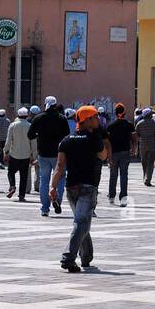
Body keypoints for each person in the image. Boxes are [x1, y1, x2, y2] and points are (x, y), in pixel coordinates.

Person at [51, 106, 109, 272]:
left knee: (81, 223)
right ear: (87, 120)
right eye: (95, 117)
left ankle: (86, 256)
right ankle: (68, 258)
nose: (98, 119)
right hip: (88, 186)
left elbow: (60, 166)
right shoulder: (94, 138)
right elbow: (103, 156)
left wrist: (53, 187)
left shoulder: (66, 140)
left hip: (71, 187)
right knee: (81, 223)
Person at [28, 98, 70, 216]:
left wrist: (39, 134)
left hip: (43, 153)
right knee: (61, 178)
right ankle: (57, 200)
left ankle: (45, 208)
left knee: (44, 180)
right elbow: (67, 133)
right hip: (58, 153)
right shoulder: (62, 118)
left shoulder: (38, 118)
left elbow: (30, 135)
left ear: (46, 105)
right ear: (56, 105)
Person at [104, 103, 134, 205]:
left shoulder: (111, 126)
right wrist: (134, 148)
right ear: (124, 113)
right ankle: (123, 198)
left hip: (113, 153)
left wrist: (108, 155)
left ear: (115, 113)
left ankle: (111, 196)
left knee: (113, 175)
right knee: (124, 175)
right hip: (125, 151)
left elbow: (107, 142)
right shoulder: (129, 124)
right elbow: (134, 137)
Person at [4, 107, 34, 201]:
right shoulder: (30, 126)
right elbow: (33, 142)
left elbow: (8, 140)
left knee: (11, 172)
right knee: (24, 176)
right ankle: (21, 195)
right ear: (27, 115)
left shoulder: (13, 125)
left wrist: (6, 151)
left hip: (14, 154)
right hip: (26, 154)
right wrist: (34, 155)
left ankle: (12, 186)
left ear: (18, 115)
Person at [134, 107, 155, 186]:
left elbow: (136, 134)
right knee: (150, 162)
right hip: (152, 145)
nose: (152, 115)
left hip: (143, 145)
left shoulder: (139, 123)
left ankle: (145, 176)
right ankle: (148, 179)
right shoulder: (154, 123)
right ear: (148, 115)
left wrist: (138, 142)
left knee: (144, 162)